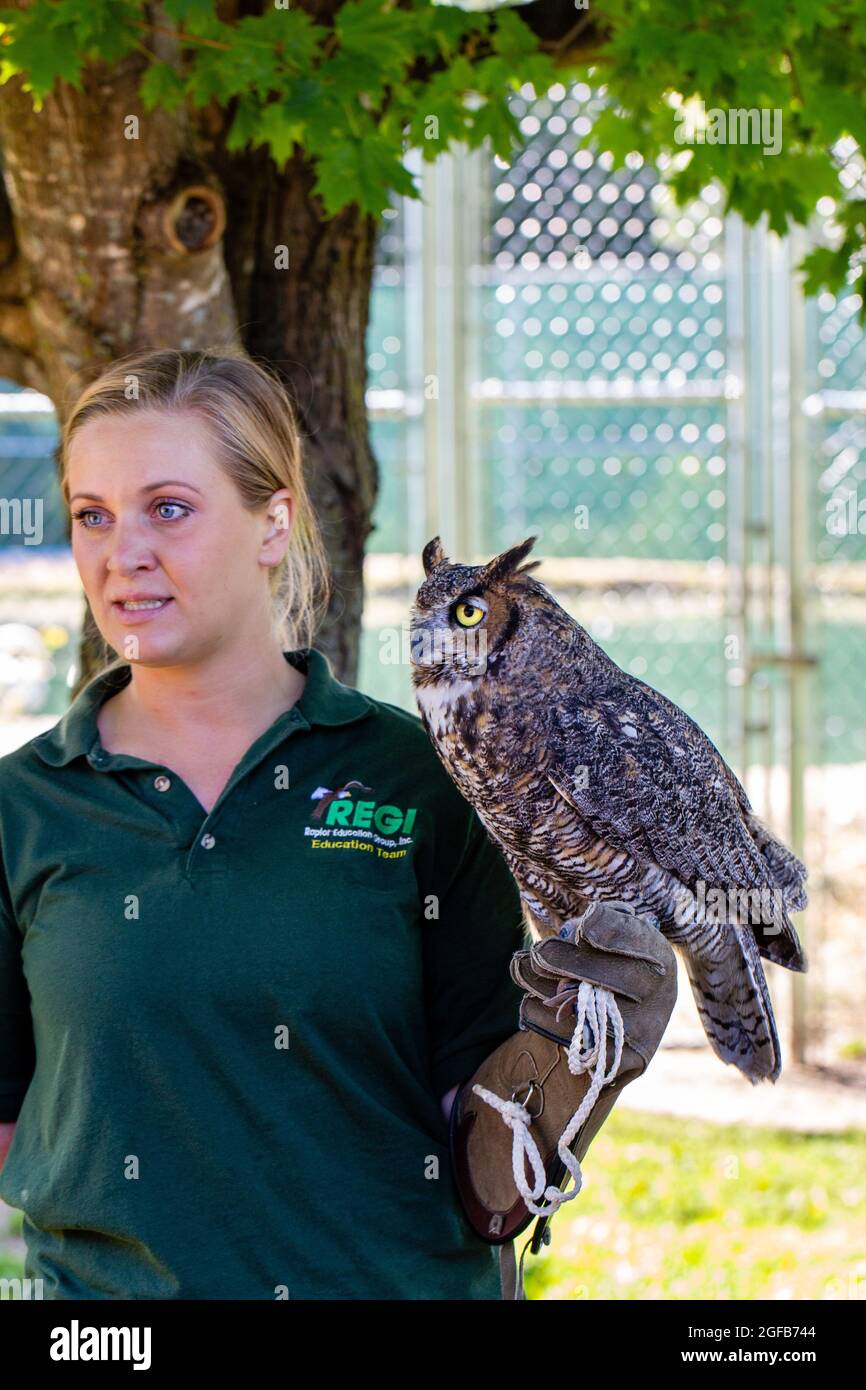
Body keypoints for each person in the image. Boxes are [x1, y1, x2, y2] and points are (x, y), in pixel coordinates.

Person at [0, 348, 676, 1301]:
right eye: (91, 516)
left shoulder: (421, 779)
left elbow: (483, 1163)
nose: (124, 554)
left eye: (169, 508)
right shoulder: (23, 808)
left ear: (273, 522)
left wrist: (570, 1071)